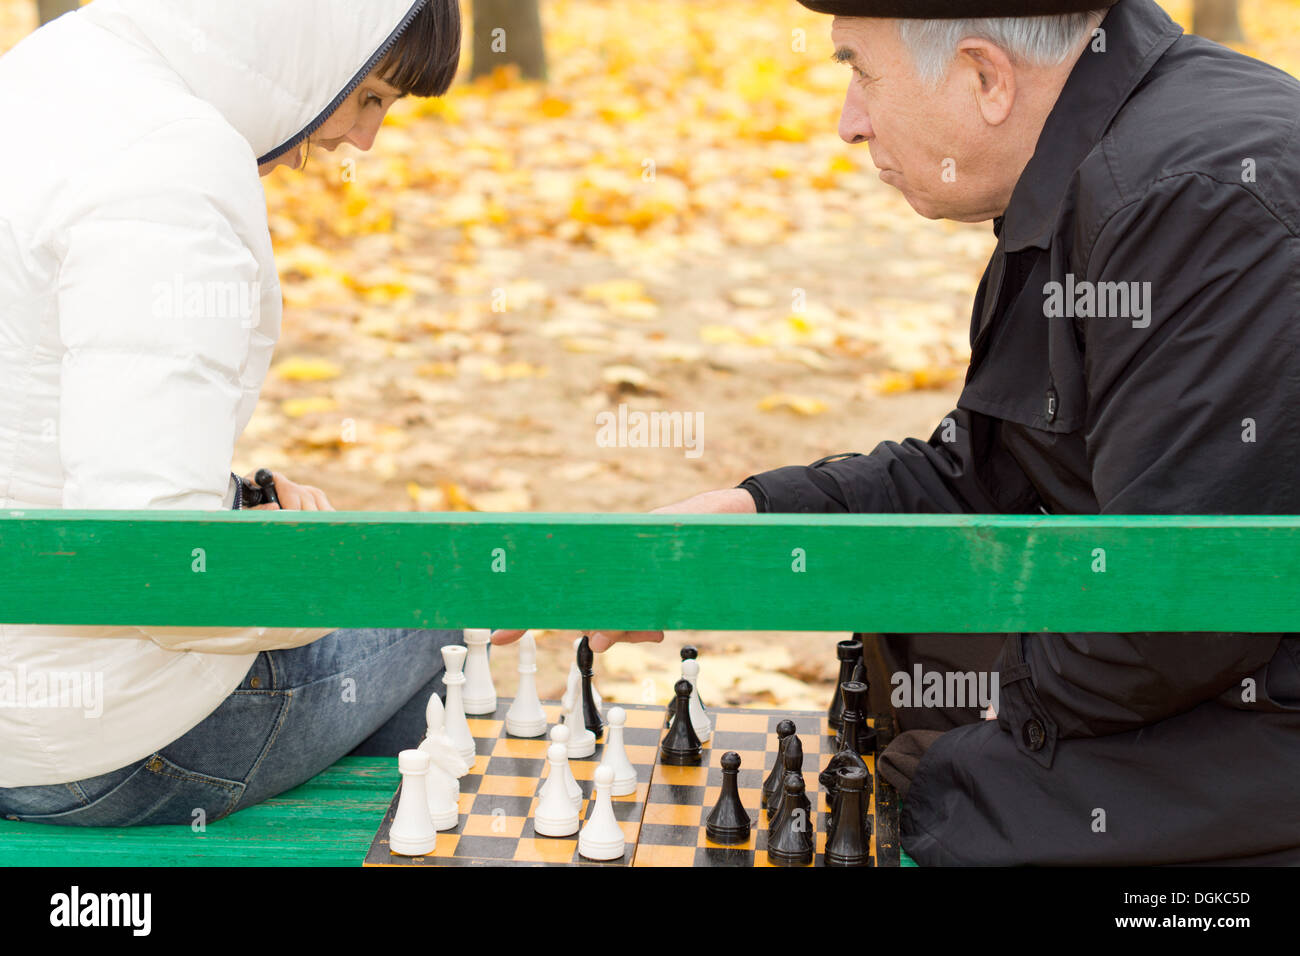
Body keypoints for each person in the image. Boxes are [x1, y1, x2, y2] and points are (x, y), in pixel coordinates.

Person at [497, 0, 1300, 865]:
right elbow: (984, 477)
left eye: (857, 70)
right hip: (1198, 653)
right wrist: (748, 522)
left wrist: (968, 733)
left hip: (1245, 712)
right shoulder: (1100, 159)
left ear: (986, 78)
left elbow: (1168, 611)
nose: (849, 124)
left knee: (936, 794)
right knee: (906, 712)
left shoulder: (1192, 199)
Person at [0, 0, 465, 826]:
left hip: (31, 683)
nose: (364, 140)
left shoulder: (47, 71)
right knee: (448, 611)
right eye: (372, 97)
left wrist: (236, 507)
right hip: (91, 747)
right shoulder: (170, 164)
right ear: (312, 41)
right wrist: (312, 571)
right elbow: (153, 563)